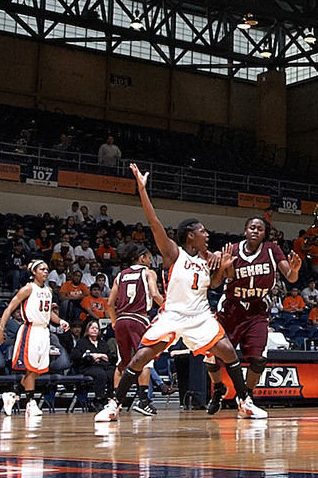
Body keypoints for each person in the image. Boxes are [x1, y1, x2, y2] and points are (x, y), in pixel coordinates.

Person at [98, 165, 255, 422]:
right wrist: (141, 190)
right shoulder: (173, 253)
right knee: (140, 357)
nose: (208, 235)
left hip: (200, 316)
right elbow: (154, 222)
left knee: (228, 352)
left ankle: (244, 402)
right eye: (203, 231)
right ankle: (114, 405)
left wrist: (225, 268)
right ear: (190, 235)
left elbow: (213, 285)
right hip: (172, 314)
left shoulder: (207, 259)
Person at [214, 215, 303, 413]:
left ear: (265, 234)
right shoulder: (233, 250)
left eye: (259, 229)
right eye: (252, 227)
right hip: (231, 306)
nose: (255, 231)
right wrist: (222, 265)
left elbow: (290, 276)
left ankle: (246, 396)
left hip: (257, 308)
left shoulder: (272, 249)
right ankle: (217, 390)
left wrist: (295, 270)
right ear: (245, 230)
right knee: (214, 356)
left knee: (259, 359)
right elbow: (216, 281)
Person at [0, 259, 70, 417]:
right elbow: (9, 309)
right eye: (42, 269)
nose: (46, 271)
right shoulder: (28, 289)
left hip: (44, 331)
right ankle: (30, 402)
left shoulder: (48, 290)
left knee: (39, 369)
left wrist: (60, 321)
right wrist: (0, 330)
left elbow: (48, 313)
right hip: (31, 329)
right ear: (34, 272)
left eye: (47, 269)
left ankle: (13, 394)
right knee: (31, 368)